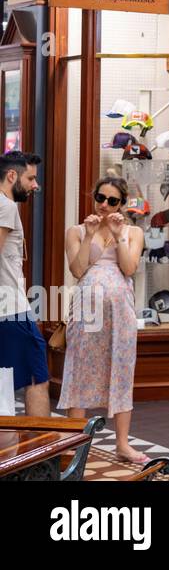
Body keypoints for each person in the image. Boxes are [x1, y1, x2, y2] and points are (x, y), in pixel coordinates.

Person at [59, 176, 145, 463]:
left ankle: (122, 444)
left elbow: (129, 267)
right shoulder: (76, 230)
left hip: (121, 313)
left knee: (122, 370)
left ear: (123, 203)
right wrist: (88, 236)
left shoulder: (133, 233)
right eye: (100, 198)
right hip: (87, 312)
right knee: (80, 368)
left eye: (112, 200)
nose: (105, 205)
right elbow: (77, 269)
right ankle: (74, 443)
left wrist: (119, 235)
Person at [0, 150, 47, 415]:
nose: (35, 185)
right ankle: (44, 453)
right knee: (36, 375)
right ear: (11, 175)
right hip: (10, 309)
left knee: (4, 379)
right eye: (30, 178)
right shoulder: (6, 206)